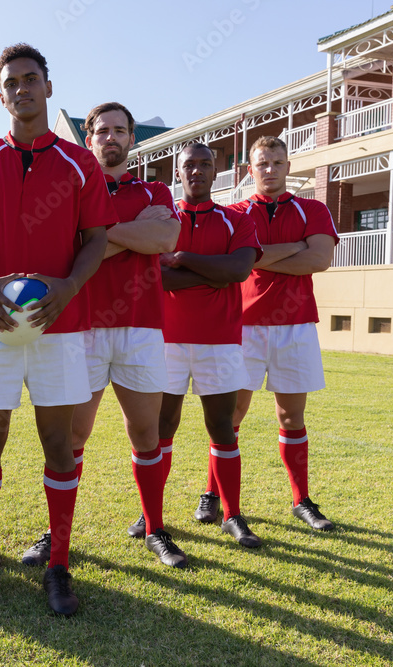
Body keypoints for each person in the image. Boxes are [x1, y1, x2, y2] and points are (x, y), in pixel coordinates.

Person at [0, 43, 114, 616]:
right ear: (1, 94)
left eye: (31, 79)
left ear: (47, 86)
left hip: (59, 324)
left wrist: (66, 288)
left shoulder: (79, 163)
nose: (22, 88)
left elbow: (96, 241)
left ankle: (59, 566)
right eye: (11, 82)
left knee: (59, 445)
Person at [18, 101, 185, 568]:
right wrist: (128, 235)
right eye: (101, 131)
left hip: (141, 328)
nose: (110, 138)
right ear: (87, 139)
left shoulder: (155, 190)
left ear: (132, 138)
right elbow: (70, 252)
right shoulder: (73, 190)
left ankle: (155, 528)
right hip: (82, 328)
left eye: (119, 130)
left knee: (146, 432)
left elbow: (165, 240)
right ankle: (56, 535)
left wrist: (98, 240)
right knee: (72, 435)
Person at [228, 135, 338, 531]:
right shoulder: (235, 213)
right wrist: (294, 248)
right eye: (262, 164)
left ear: (288, 166)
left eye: (277, 162)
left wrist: (260, 254)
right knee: (230, 416)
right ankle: (216, 496)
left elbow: (320, 259)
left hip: (295, 327)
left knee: (292, 416)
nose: (270, 169)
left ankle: (301, 499)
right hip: (243, 327)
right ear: (250, 170)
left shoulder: (313, 209)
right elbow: (238, 263)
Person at [157, 143, 262, 548]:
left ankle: (233, 515)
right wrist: (211, 271)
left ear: (216, 170)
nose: (197, 171)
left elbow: (238, 269)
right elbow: (158, 280)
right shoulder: (163, 221)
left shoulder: (236, 217)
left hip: (219, 340)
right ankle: (153, 514)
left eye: (205, 164)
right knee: (161, 428)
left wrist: (183, 257)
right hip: (167, 340)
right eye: (189, 165)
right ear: (177, 173)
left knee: (221, 427)